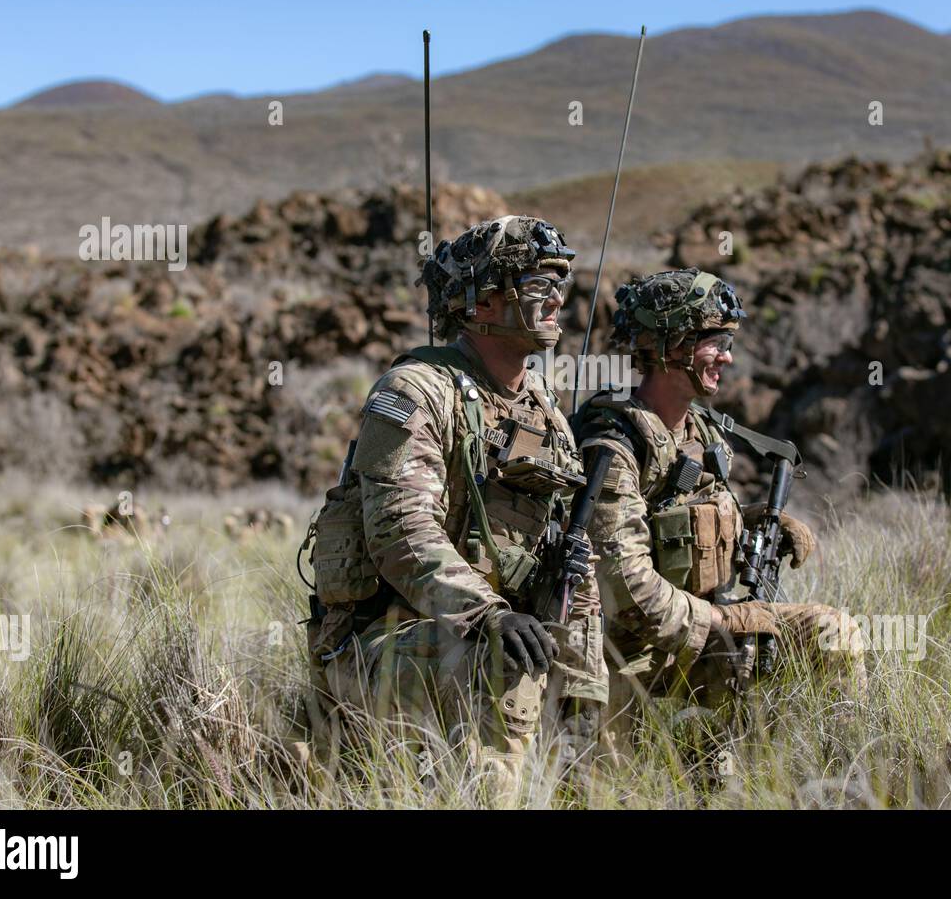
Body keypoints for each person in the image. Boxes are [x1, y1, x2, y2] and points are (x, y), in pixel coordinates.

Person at [304, 215, 607, 799]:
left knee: (591, 698)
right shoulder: (415, 391)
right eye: (540, 285)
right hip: (381, 641)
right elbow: (401, 530)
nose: (558, 301)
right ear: (484, 303)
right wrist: (488, 614)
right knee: (505, 667)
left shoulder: (544, 411)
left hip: (492, 632)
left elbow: (568, 556)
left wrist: (582, 682)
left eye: (560, 285)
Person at [573, 268, 866, 745]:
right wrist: (724, 621)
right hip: (631, 660)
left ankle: (824, 773)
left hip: (698, 640)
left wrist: (754, 518)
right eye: (714, 342)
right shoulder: (614, 444)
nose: (727, 357)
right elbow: (624, 586)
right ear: (671, 345)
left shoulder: (699, 432)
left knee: (832, 633)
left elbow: (684, 511)